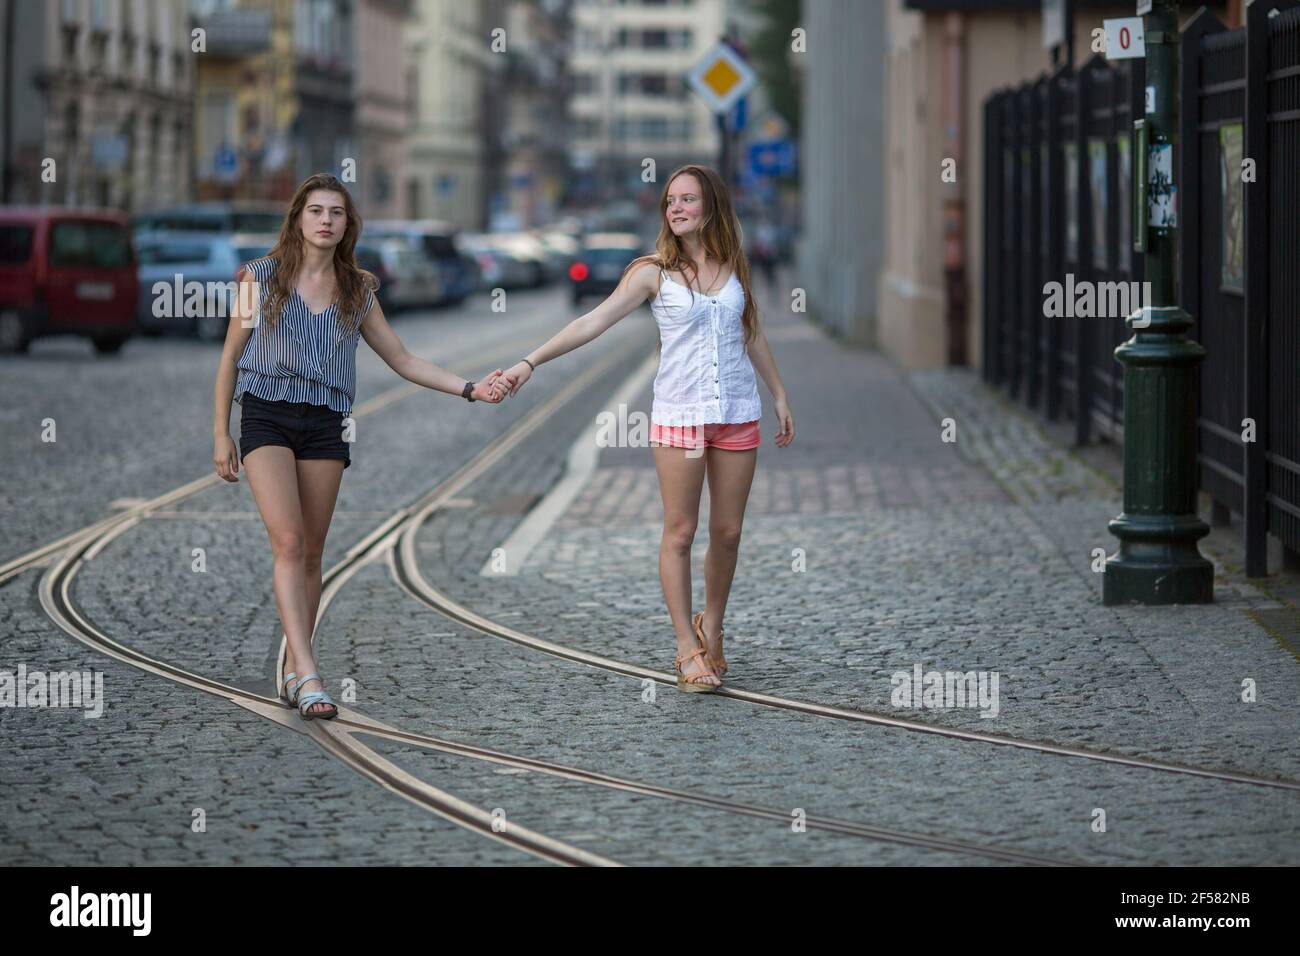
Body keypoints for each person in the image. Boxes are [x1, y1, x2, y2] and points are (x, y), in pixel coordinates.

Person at [211, 173, 511, 719]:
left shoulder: (358, 290)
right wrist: (219, 435)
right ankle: (308, 673)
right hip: (266, 418)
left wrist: (470, 389)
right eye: (316, 210)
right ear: (298, 218)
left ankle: (291, 670)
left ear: (348, 225)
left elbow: (403, 359)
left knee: (313, 552)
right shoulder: (259, 277)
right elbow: (230, 357)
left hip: (326, 424)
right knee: (288, 542)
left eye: (337, 213)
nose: (326, 220)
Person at [500, 164, 795, 692]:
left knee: (727, 532)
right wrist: (531, 361)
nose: (676, 208)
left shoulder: (733, 266)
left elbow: (751, 333)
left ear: (712, 207)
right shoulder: (651, 272)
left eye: (687, 199)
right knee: (680, 531)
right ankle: (686, 647)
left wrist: (778, 394)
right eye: (670, 201)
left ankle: (714, 626)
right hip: (679, 415)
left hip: (736, 412)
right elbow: (592, 321)